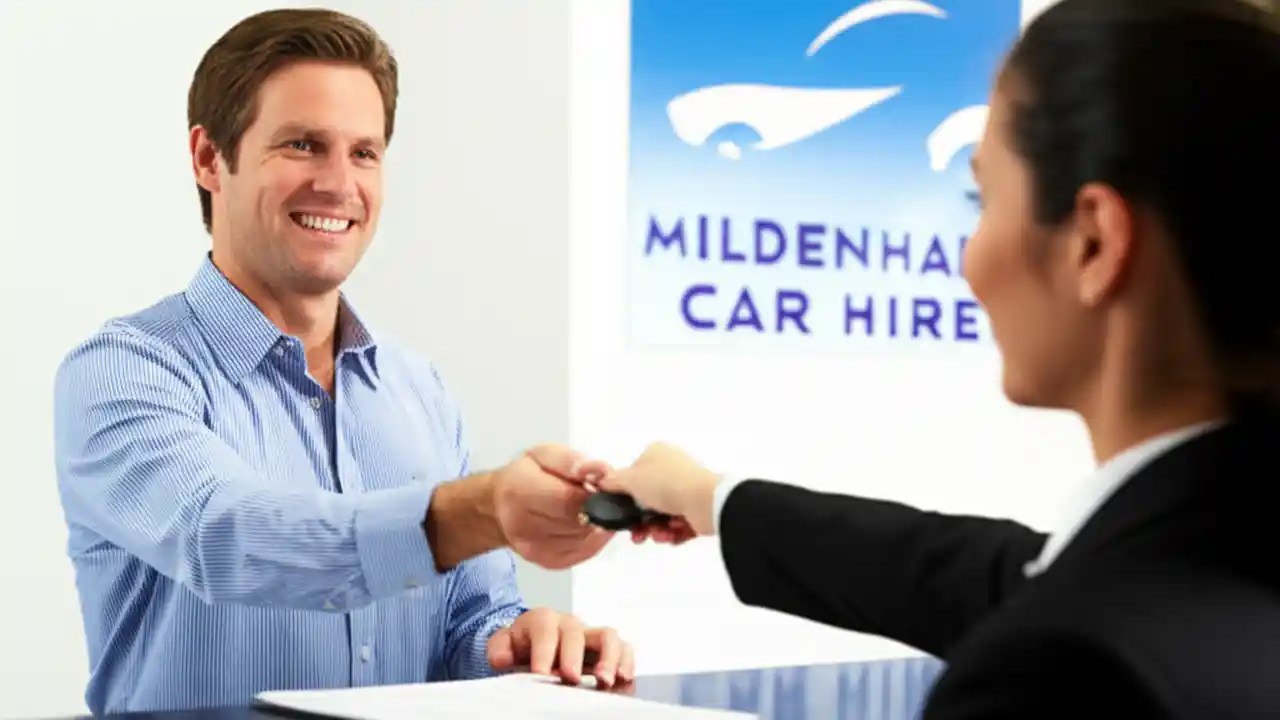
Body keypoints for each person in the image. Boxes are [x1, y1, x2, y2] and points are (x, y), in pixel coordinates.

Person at [584, 0, 1280, 716]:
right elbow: (976, 572)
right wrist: (713, 500)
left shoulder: (1056, 673)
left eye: (981, 197)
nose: (967, 263)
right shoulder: (1216, 560)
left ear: (1093, 244)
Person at [51, 9, 629, 715]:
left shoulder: (418, 389)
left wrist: (519, 645)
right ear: (208, 158)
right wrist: (478, 509)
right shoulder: (123, 373)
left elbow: (467, 626)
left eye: (364, 152)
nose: (339, 183)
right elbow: (233, 539)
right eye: (302, 145)